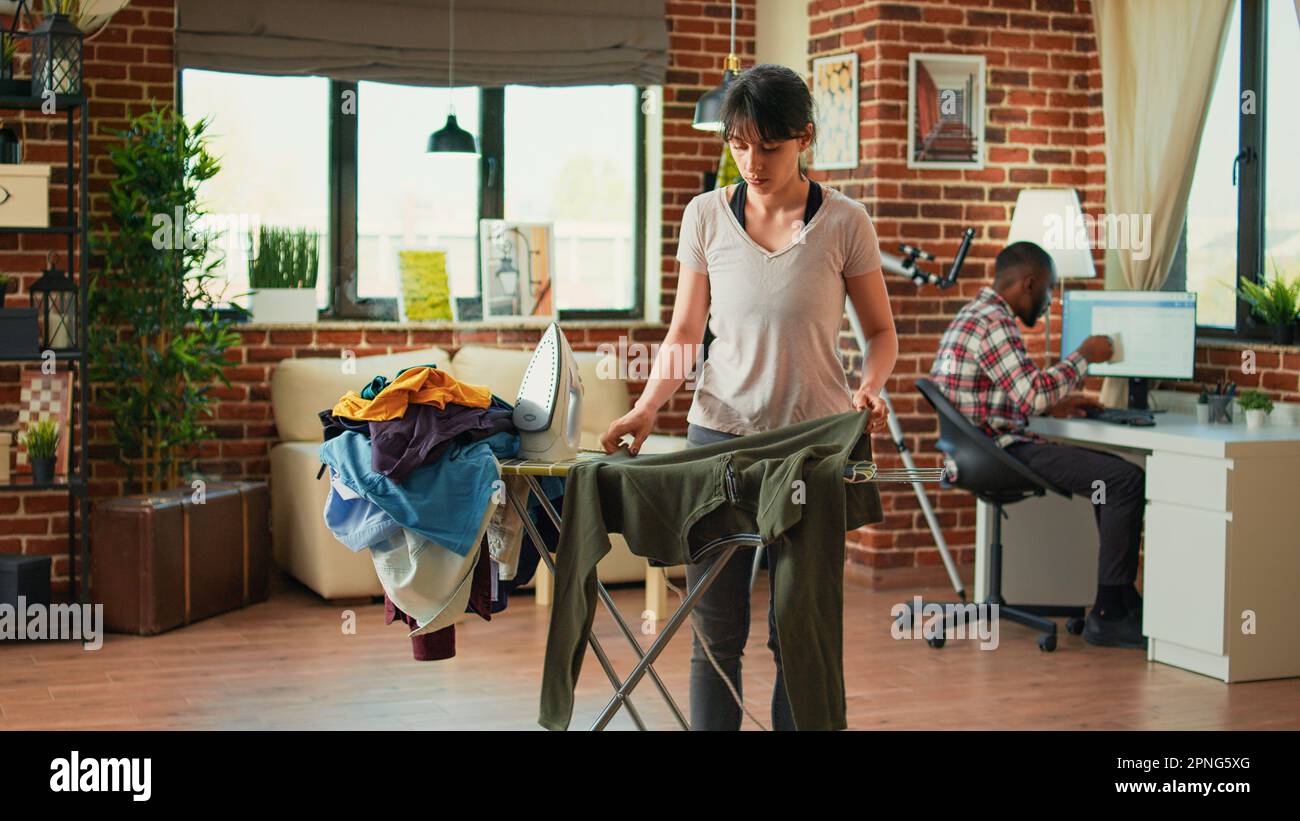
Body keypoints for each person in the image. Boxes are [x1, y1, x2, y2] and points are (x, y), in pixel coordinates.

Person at [599, 64, 898, 730]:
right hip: (719, 439)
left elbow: (880, 333)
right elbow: (684, 330)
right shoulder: (705, 215)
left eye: (768, 145)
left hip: (811, 450)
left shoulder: (846, 222)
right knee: (715, 630)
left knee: (799, 628)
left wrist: (870, 384)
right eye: (739, 143)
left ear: (804, 139)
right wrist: (647, 409)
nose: (751, 161)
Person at [928, 240, 1145, 649]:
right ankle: (1109, 614)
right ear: (1029, 284)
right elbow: (1032, 395)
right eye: (1048, 291)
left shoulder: (974, 314)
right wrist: (1085, 355)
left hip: (976, 453)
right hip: (1002, 452)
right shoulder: (996, 321)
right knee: (1122, 479)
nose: (1048, 303)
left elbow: (1006, 395)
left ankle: (1119, 599)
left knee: (1113, 478)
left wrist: (1052, 405)